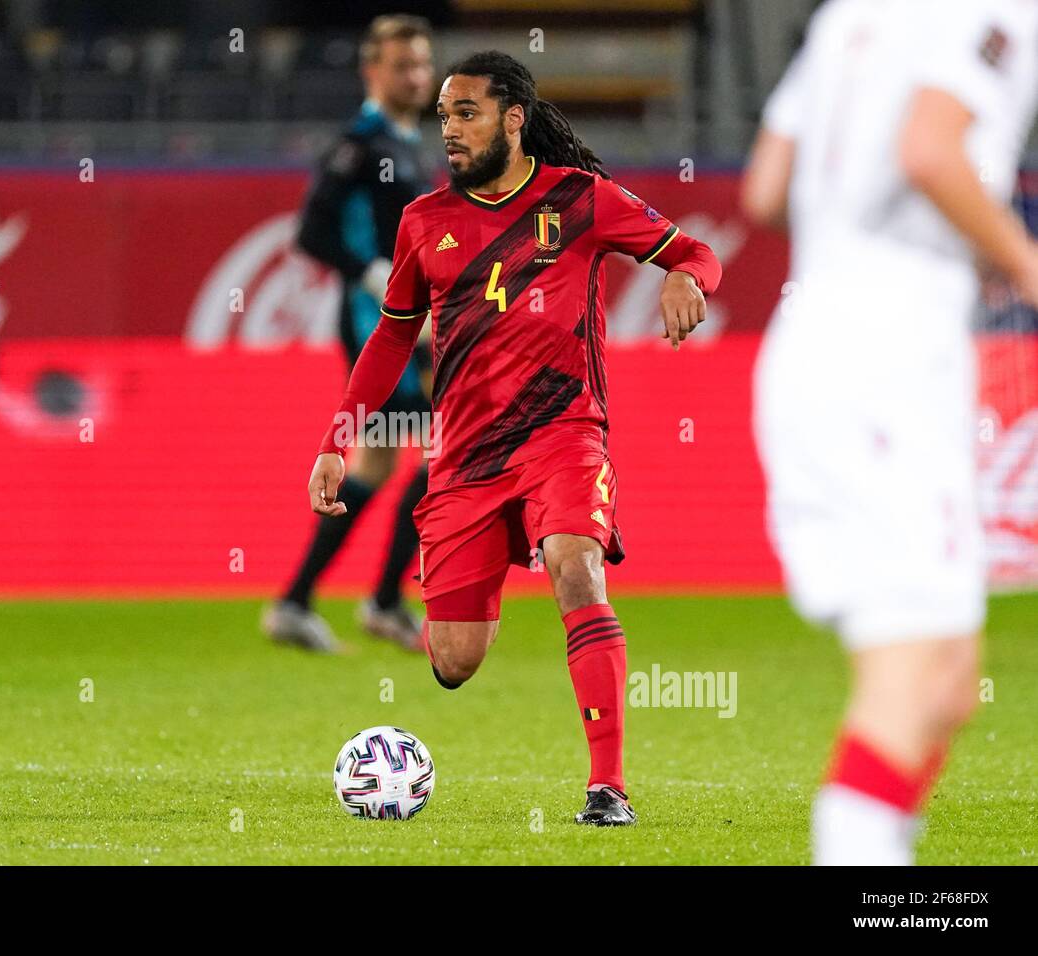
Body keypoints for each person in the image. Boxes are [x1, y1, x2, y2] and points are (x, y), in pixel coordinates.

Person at [307, 51, 721, 825]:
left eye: (466, 113)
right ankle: (487, 561)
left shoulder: (583, 200)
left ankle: (608, 787)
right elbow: (393, 339)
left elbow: (695, 250)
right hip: (464, 459)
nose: (451, 131)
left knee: (576, 564)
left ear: (514, 119)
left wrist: (683, 276)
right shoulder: (424, 221)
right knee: (454, 660)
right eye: (443, 117)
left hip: (565, 437)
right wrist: (337, 438)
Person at [742, 0, 1038, 864]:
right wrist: (1019, 260)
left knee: (948, 678)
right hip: (888, 361)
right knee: (911, 678)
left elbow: (764, 189)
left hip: (818, 343)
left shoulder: (851, 14)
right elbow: (928, 151)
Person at [264, 15, 438, 653]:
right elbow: (311, 231)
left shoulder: (410, 145)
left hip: (409, 329)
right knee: (454, 443)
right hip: (378, 332)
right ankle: (383, 600)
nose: (416, 76)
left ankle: (303, 601)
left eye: (422, 65)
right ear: (373, 71)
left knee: (389, 456)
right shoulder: (359, 145)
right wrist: (377, 278)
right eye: (402, 65)